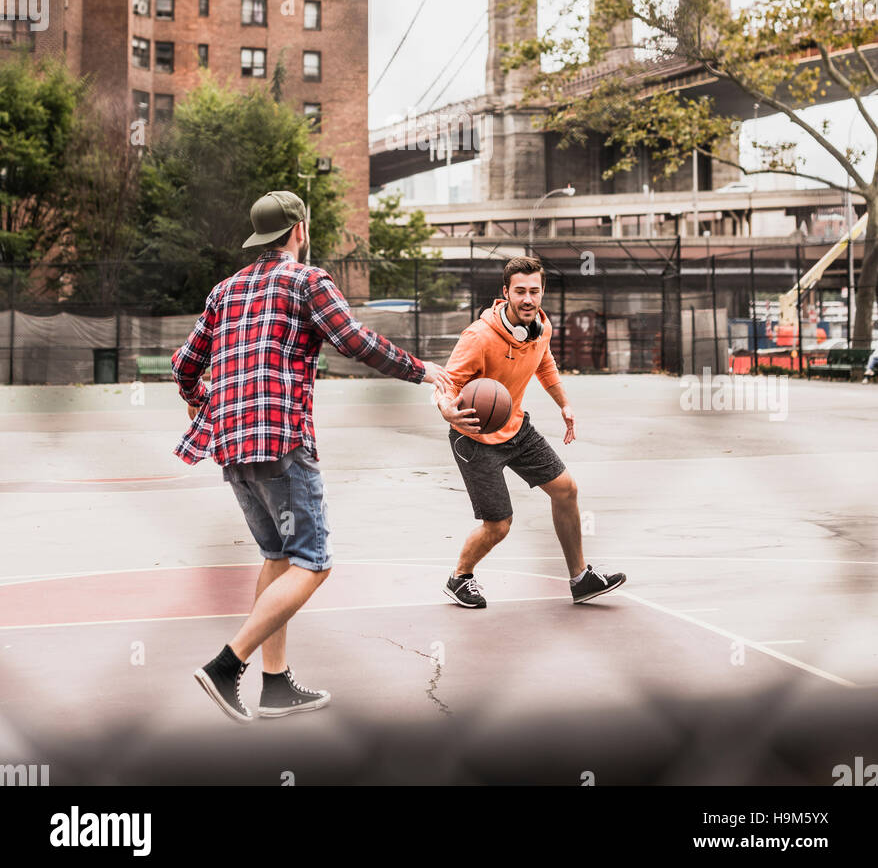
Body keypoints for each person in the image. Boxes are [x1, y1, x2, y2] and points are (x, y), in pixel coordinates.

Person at [171, 190, 455, 724]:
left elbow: (186, 366)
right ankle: (226, 665)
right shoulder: (308, 280)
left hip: (232, 447)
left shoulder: (224, 289)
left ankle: (275, 686)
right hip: (281, 440)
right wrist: (420, 369)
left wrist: (200, 402)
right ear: (299, 229)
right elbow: (352, 340)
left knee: (278, 558)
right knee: (313, 560)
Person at [436, 257, 627, 608]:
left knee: (566, 490)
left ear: (542, 293)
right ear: (505, 292)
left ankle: (580, 578)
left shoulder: (541, 327)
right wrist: (447, 408)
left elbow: (544, 363)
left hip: (517, 428)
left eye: (534, 291)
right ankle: (460, 577)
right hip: (475, 436)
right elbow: (449, 382)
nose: (528, 299)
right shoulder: (478, 337)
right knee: (499, 525)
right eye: (520, 291)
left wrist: (564, 404)